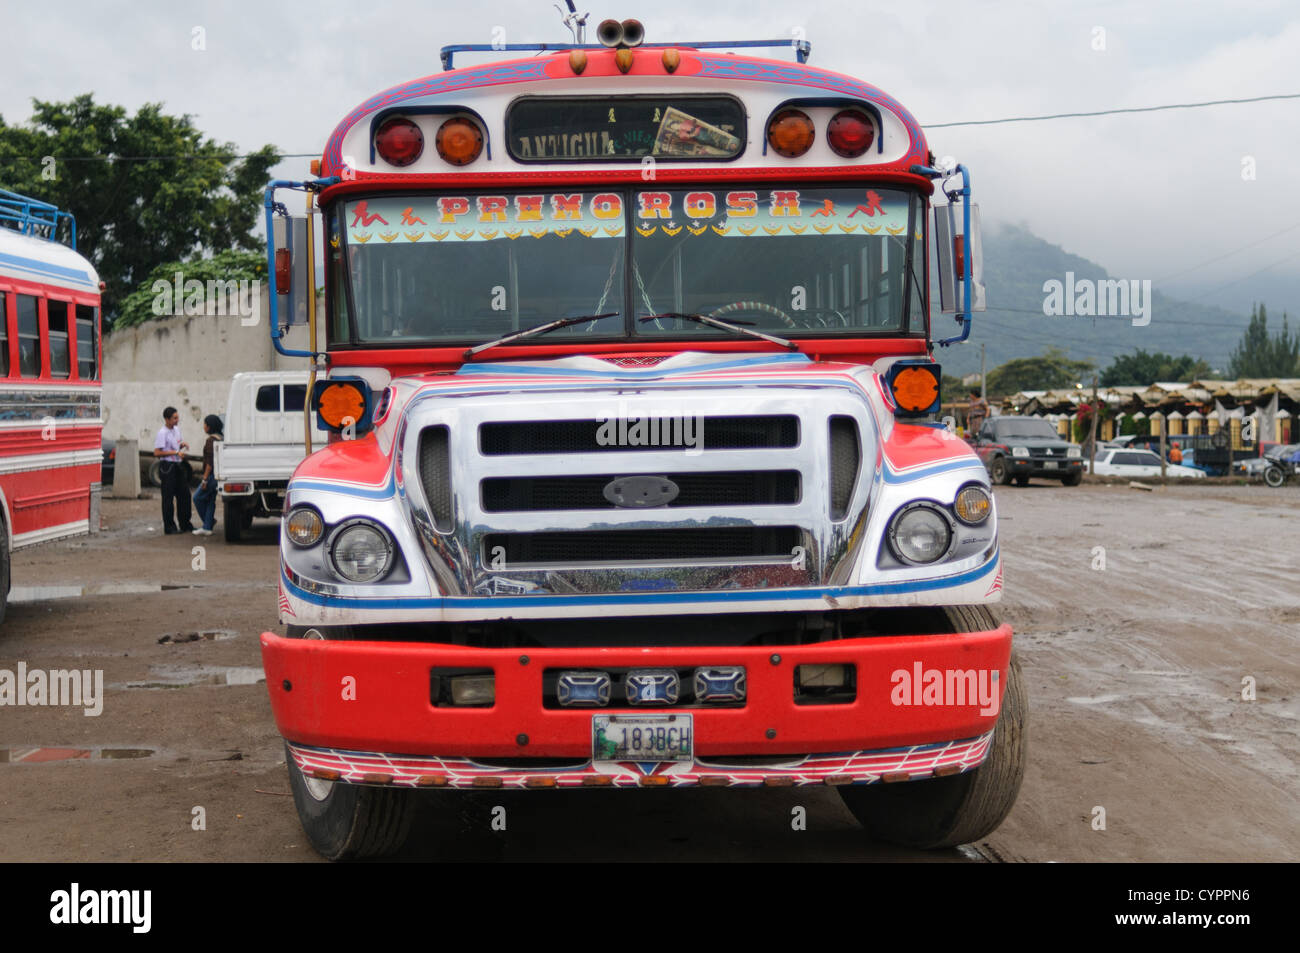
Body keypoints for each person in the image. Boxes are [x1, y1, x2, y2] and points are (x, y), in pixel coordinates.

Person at [154, 406, 193, 534]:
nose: (177, 420)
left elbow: (176, 444)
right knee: (168, 497)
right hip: (167, 466)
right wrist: (175, 452)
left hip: (178, 465)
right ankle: (169, 526)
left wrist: (182, 445)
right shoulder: (162, 433)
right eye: (174, 418)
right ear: (167, 419)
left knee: (185, 495)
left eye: (177, 417)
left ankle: (185, 523)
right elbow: (157, 452)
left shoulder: (176, 430)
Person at [191, 414, 223, 536]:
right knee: (210, 500)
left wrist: (204, 479)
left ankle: (209, 522)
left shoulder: (211, 441)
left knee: (197, 498)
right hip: (218, 475)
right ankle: (207, 527)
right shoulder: (221, 438)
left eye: (204, 424)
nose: (203, 427)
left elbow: (209, 462)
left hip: (211, 476)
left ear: (209, 426)